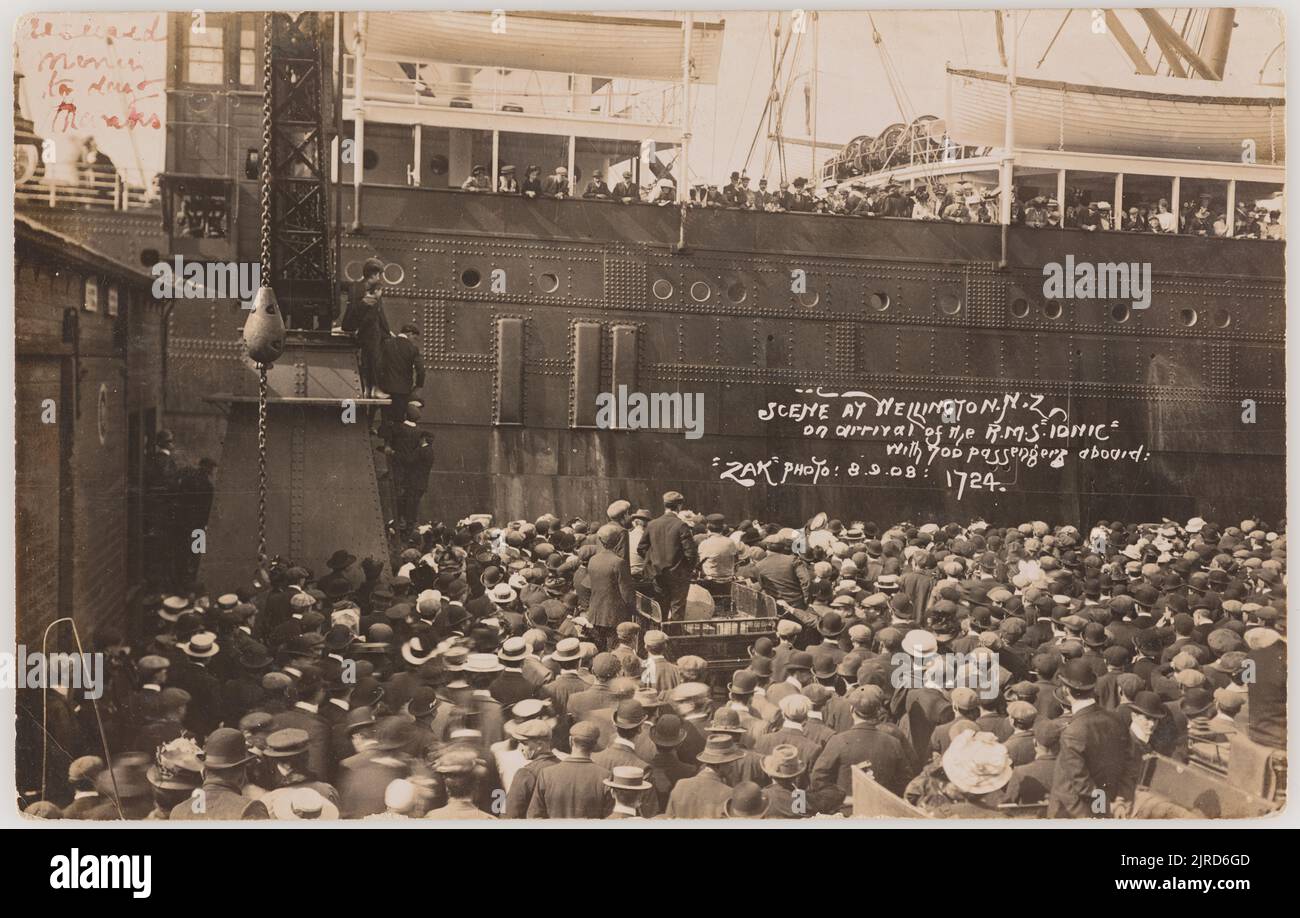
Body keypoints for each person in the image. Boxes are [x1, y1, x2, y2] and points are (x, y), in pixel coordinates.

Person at [636, 491, 698, 620]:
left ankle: (661, 635)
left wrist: (653, 562)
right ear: (679, 506)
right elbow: (691, 554)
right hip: (678, 575)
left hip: (658, 574)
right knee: (677, 609)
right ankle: (675, 638)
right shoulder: (681, 525)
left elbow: (641, 548)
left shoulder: (652, 524)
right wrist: (686, 569)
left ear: (665, 505)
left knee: (661, 609)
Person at [376, 323, 425, 440]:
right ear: (409, 334)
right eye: (415, 338)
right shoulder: (412, 348)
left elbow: (378, 365)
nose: (414, 341)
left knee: (386, 417)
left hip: (385, 388)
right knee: (398, 419)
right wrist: (419, 385)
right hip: (402, 390)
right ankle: (395, 444)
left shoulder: (387, 344)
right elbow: (421, 370)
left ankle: (386, 443)